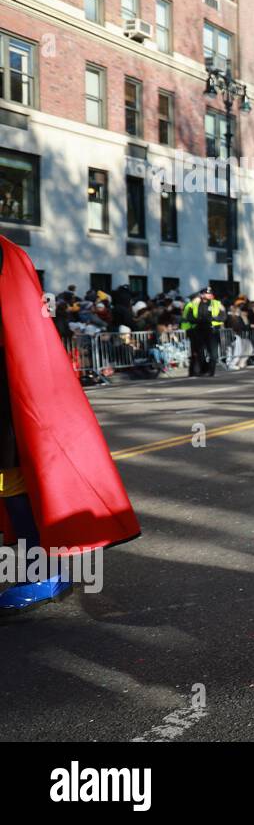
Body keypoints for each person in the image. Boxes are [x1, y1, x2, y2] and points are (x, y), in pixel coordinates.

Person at [0, 235, 140, 613]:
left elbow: (21, 330)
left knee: (12, 485)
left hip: (9, 394)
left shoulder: (6, 254)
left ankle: (43, 571)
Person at [182, 287, 223, 377]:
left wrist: (215, 318)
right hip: (198, 330)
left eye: (210, 293)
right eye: (206, 293)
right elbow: (188, 316)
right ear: (202, 294)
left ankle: (210, 371)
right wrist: (198, 320)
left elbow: (223, 315)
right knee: (199, 352)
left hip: (212, 330)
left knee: (213, 353)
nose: (209, 295)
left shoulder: (216, 303)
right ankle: (203, 369)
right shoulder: (194, 303)